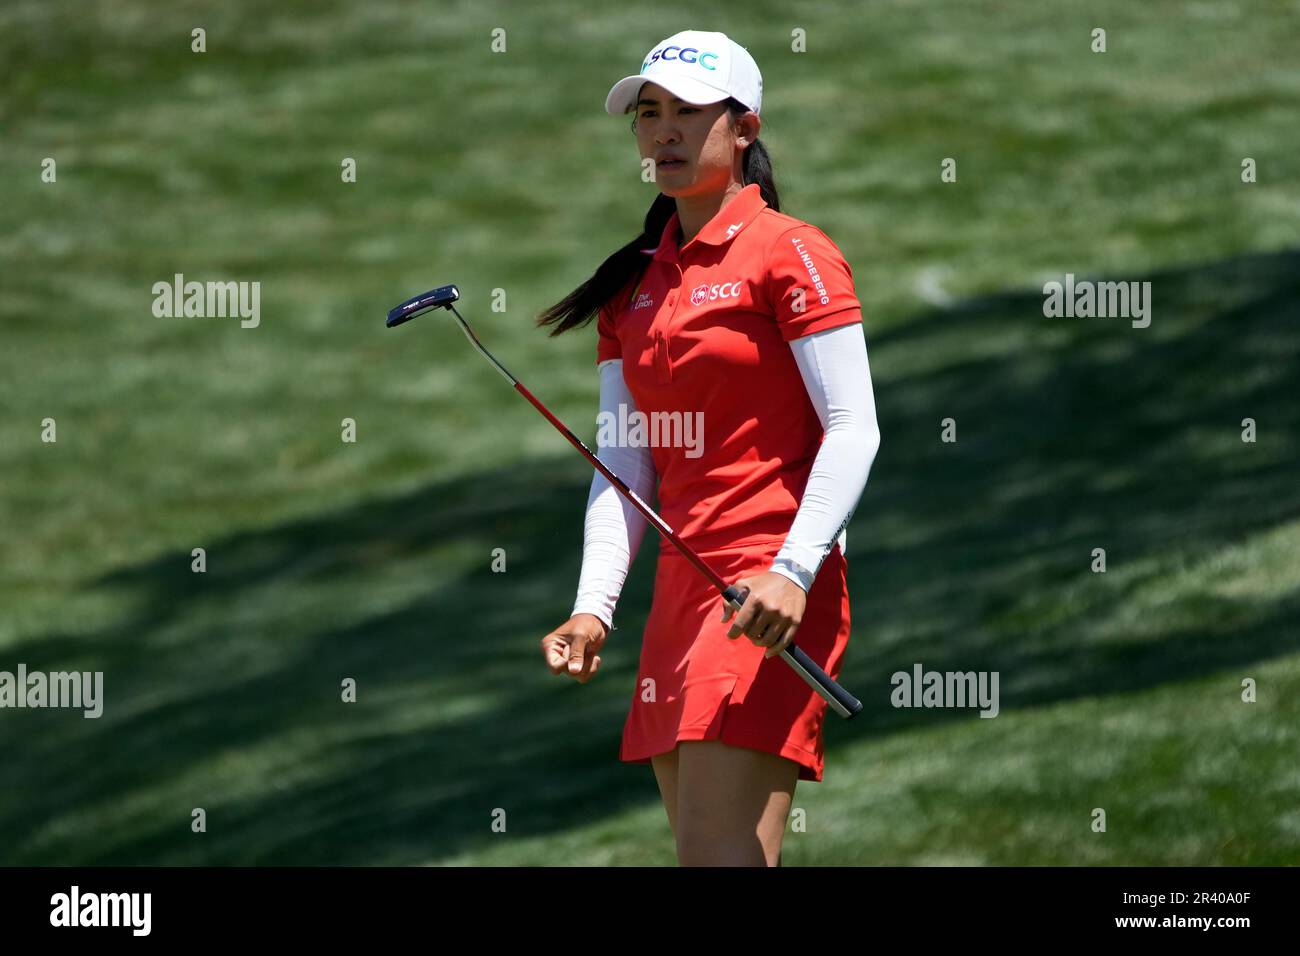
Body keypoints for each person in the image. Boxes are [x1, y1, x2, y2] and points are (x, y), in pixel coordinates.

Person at [535, 30, 881, 866]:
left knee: (716, 856)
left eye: (689, 112)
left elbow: (854, 427)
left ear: (745, 128)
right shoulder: (632, 287)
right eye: (648, 114)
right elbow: (625, 468)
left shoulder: (791, 251)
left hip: (770, 585)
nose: (664, 132)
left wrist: (794, 569)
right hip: (684, 600)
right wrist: (594, 606)